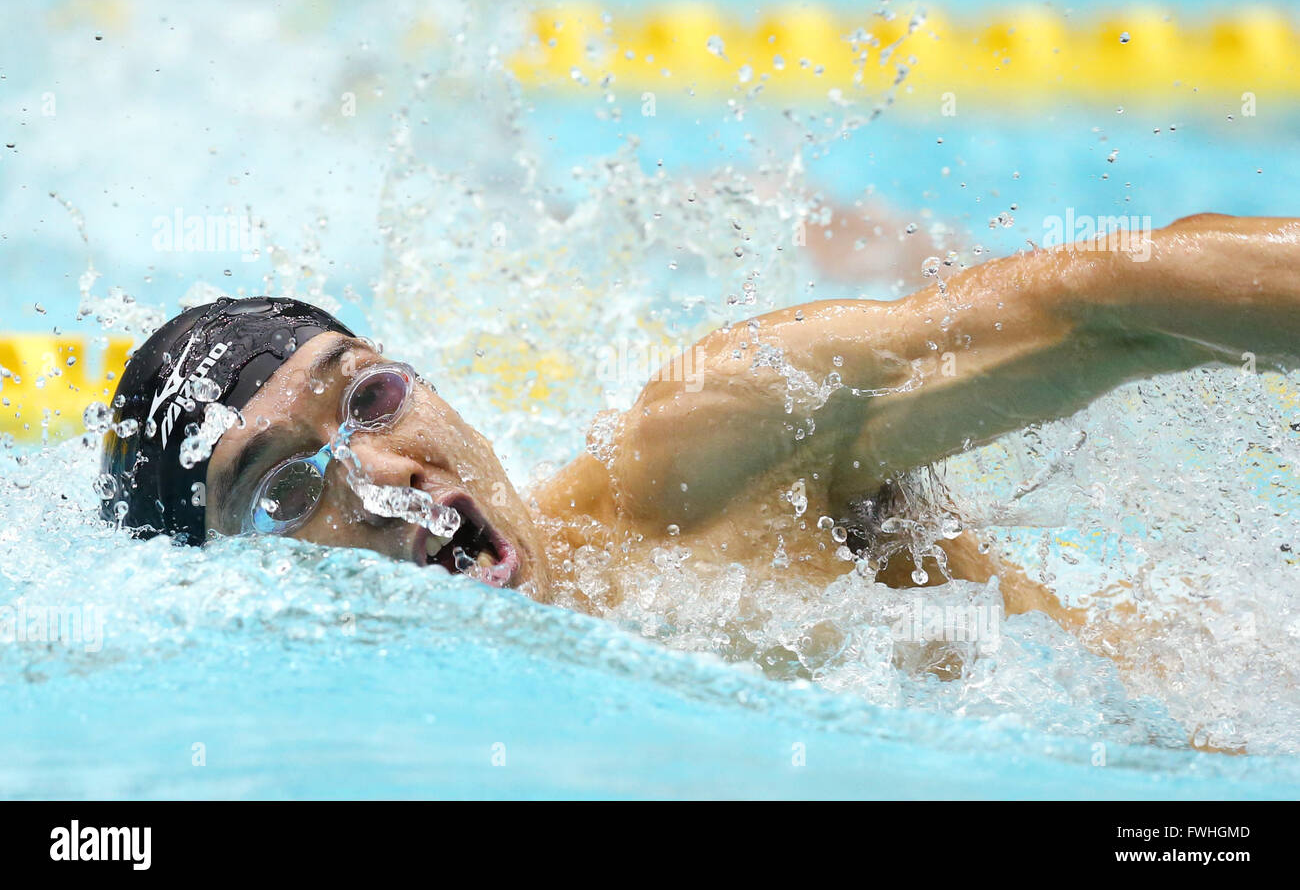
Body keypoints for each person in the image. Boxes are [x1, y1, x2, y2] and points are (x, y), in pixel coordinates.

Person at [99, 213, 1299, 661]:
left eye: (369, 399)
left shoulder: (711, 449)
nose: (385, 478)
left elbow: (1092, 303)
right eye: (282, 492)